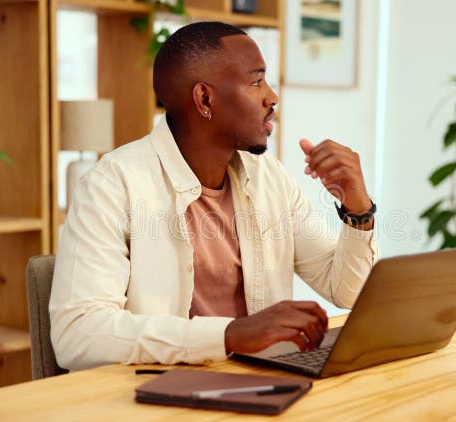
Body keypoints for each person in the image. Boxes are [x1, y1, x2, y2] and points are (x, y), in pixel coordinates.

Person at [50, 22, 379, 371]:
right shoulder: (111, 184)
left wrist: (357, 208)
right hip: (156, 389)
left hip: (264, 383)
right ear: (205, 99)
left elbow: (349, 291)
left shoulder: (271, 178)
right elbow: (77, 334)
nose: (272, 97)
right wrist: (229, 335)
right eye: (256, 81)